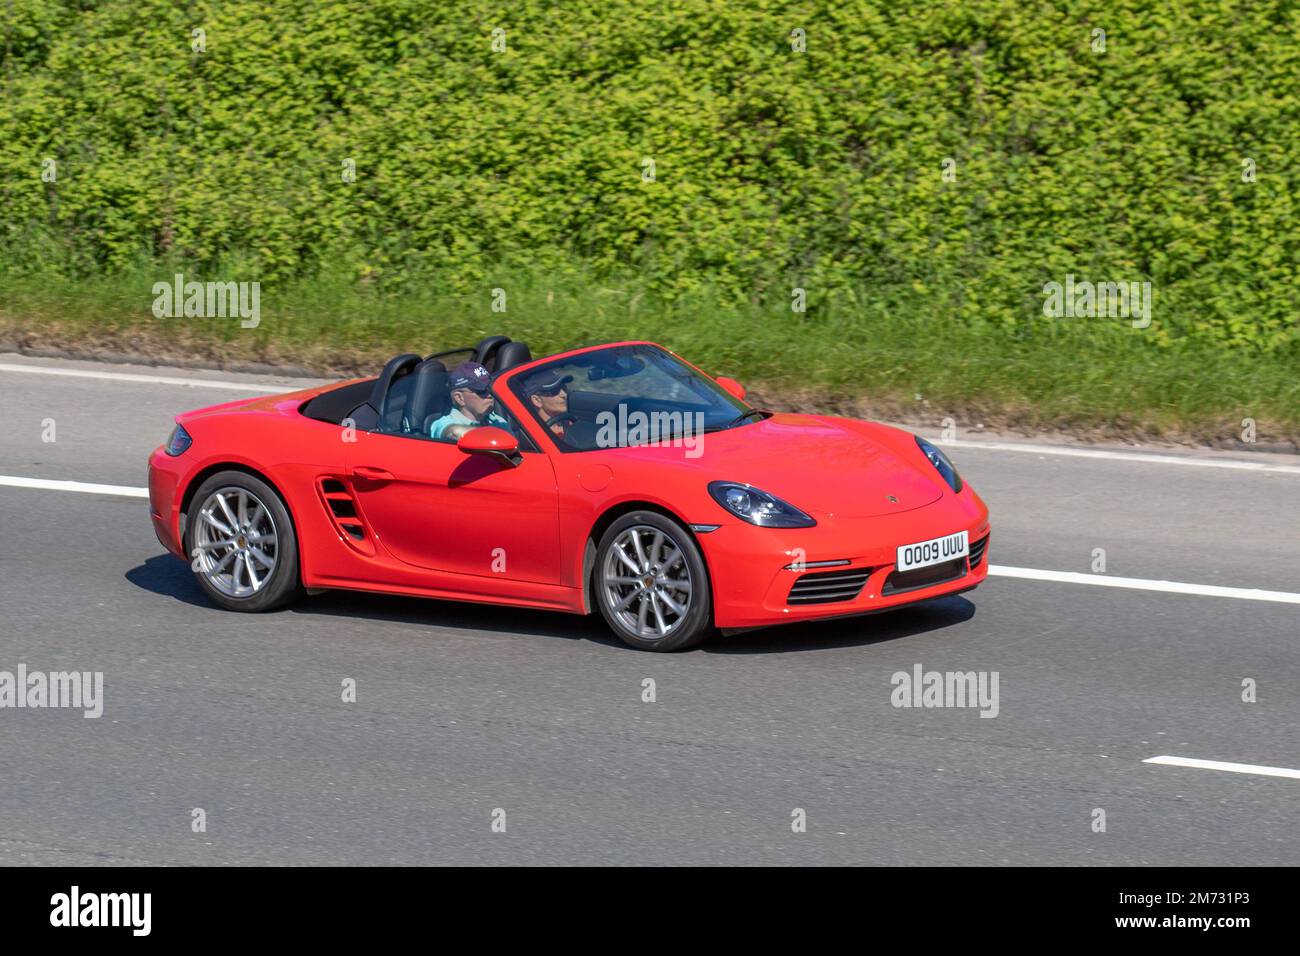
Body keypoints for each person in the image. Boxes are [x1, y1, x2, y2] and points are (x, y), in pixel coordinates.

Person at [428, 361, 509, 441]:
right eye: (482, 391)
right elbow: (453, 433)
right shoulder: (443, 423)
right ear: (459, 398)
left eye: (490, 389)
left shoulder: (498, 421)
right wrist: (493, 437)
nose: (490, 395)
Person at [524, 371, 574, 440]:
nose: (564, 395)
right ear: (537, 400)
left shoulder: (569, 422)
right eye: (555, 390)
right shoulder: (534, 438)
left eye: (564, 388)